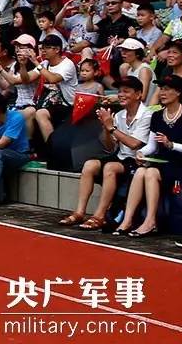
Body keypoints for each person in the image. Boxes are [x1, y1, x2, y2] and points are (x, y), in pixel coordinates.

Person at [60, 76, 151, 231]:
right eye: (119, 91)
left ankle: (100, 215)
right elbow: (110, 147)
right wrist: (105, 127)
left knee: (110, 167)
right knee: (89, 165)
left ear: (138, 94)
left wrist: (111, 128)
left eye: (126, 91)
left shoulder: (147, 115)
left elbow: (135, 144)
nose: (121, 95)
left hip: (138, 160)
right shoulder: (119, 115)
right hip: (120, 157)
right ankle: (80, 211)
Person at [116, 75, 182, 237]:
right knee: (141, 171)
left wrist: (172, 145)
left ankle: (150, 221)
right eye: (161, 89)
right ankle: (128, 220)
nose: (162, 93)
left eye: (167, 89)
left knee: (150, 172)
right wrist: (141, 153)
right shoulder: (157, 115)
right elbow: (151, 146)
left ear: (178, 92)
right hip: (163, 163)